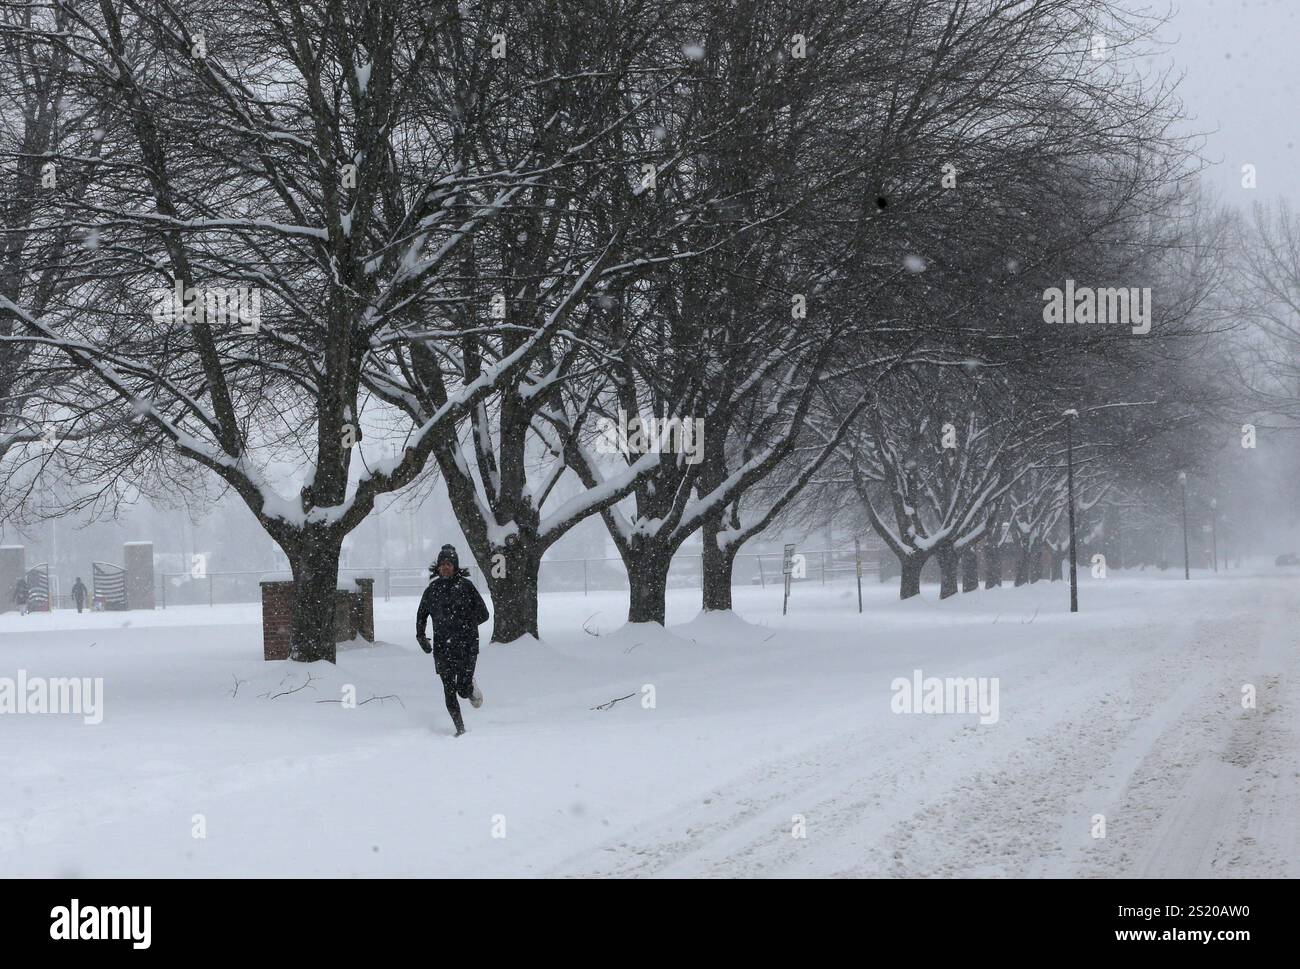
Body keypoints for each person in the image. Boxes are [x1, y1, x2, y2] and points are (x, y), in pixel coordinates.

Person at [416, 544, 490, 737]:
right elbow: (421, 616)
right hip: (442, 648)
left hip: (466, 646)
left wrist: (466, 625)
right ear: (438, 567)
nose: (446, 567)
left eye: (450, 563)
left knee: (462, 691)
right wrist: (421, 637)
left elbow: (484, 614)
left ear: (455, 566)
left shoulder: (466, 587)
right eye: (443, 564)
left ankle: (469, 686)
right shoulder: (432, 590)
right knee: (448, 690)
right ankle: (460, 729)